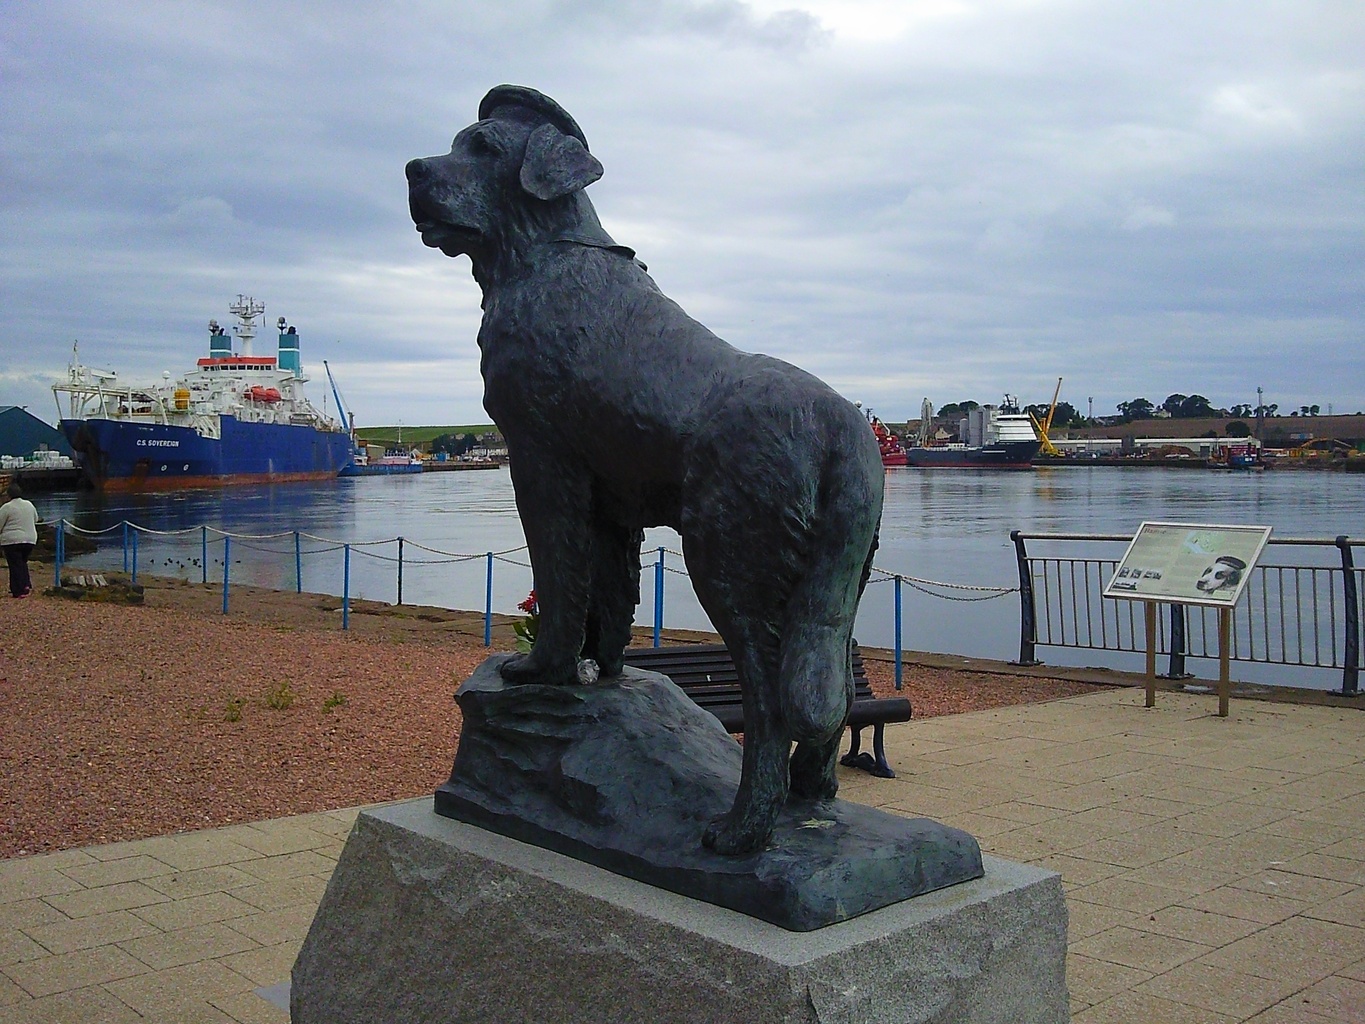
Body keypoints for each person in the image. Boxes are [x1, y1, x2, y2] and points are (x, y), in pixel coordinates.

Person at [0, 482, 39, 598]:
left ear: (9, 495)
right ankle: (26, 584)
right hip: (30, 539)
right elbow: (36, 519)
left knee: (14, 565)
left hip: (12, 540)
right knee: (22, 562)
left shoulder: (7, 507)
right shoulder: (29, 505)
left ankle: (18, 589)